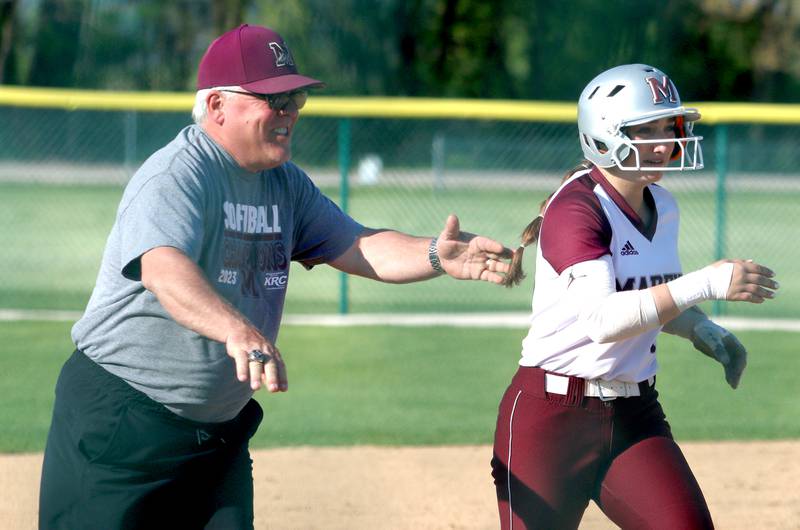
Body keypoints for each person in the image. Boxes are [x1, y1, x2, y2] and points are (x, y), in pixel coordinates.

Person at [38, 23, 512, 530]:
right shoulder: (178, 174)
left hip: (217, 440)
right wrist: (236, 329)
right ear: (217, 106)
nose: (289, 112)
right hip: (122, 428)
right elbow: (162, 267)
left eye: (296, 98)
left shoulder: (285, 184)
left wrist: (438, 257)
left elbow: (354, 244)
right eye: (273, 98)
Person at [491, 63, 779, 529]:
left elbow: (651, 300)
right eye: (647, 129)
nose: (666, 141)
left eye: (669, 126)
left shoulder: (661, 204)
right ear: (603, 137)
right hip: (551, 418)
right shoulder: (577, 207)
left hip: (633, 414)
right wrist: (706, 281)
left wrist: (702, 328)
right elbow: (604, 322)